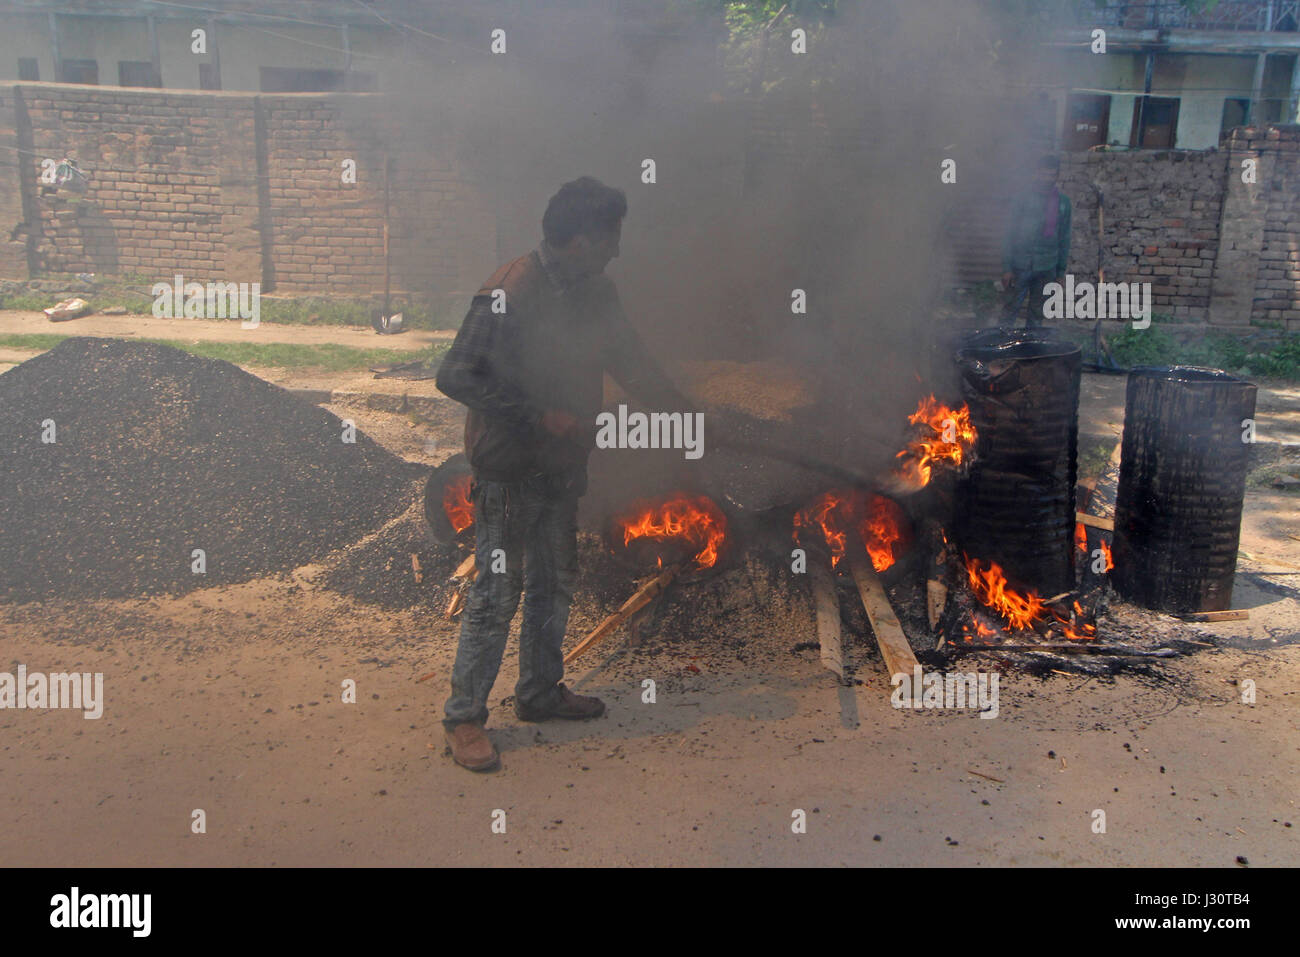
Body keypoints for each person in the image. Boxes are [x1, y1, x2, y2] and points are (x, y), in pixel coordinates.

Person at [435, 176, 692, 772]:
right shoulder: (509, 290)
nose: (618, 250)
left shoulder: (595, 291)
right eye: (611, 237)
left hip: (560, 468)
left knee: (555, 582)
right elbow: (455, 375)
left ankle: (540, 693)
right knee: (498, 593)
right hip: (506, 469)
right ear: (579, 239)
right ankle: (463, 717)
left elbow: (629, 358)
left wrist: (679, 405)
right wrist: (536, 414)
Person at [1000, 154, 1071, 328]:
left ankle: (1030, 350)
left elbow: (1064, 238)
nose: (1047, 179)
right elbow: (1009, 233)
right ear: (1037, 174)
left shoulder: (1063, 203)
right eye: (1044, 174)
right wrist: (1007, 268)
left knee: (1037, 314)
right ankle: (1000, 347)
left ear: (1057, 176)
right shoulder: (1022, 199)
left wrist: (1061, 272)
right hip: (1020, 265)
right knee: (1009, 311)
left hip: (1047, 268)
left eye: (1051, 175)